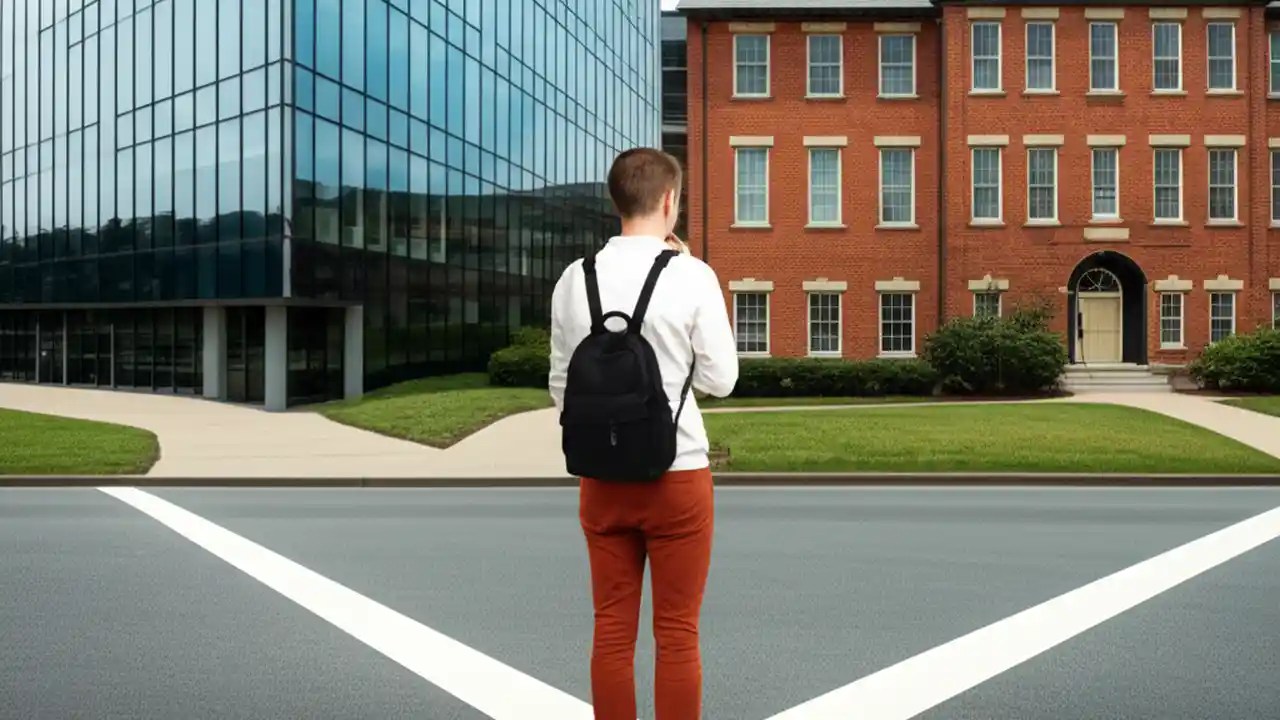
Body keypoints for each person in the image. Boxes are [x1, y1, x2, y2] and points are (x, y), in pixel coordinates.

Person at [548, 148, 739, 720]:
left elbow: (562, 387)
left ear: (615, 202)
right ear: (669, 200)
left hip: (601, 479)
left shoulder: (573, 281)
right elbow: (723, 379)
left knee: (611, 631)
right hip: (676, 473)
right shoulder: (692, 275)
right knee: (677, 634)